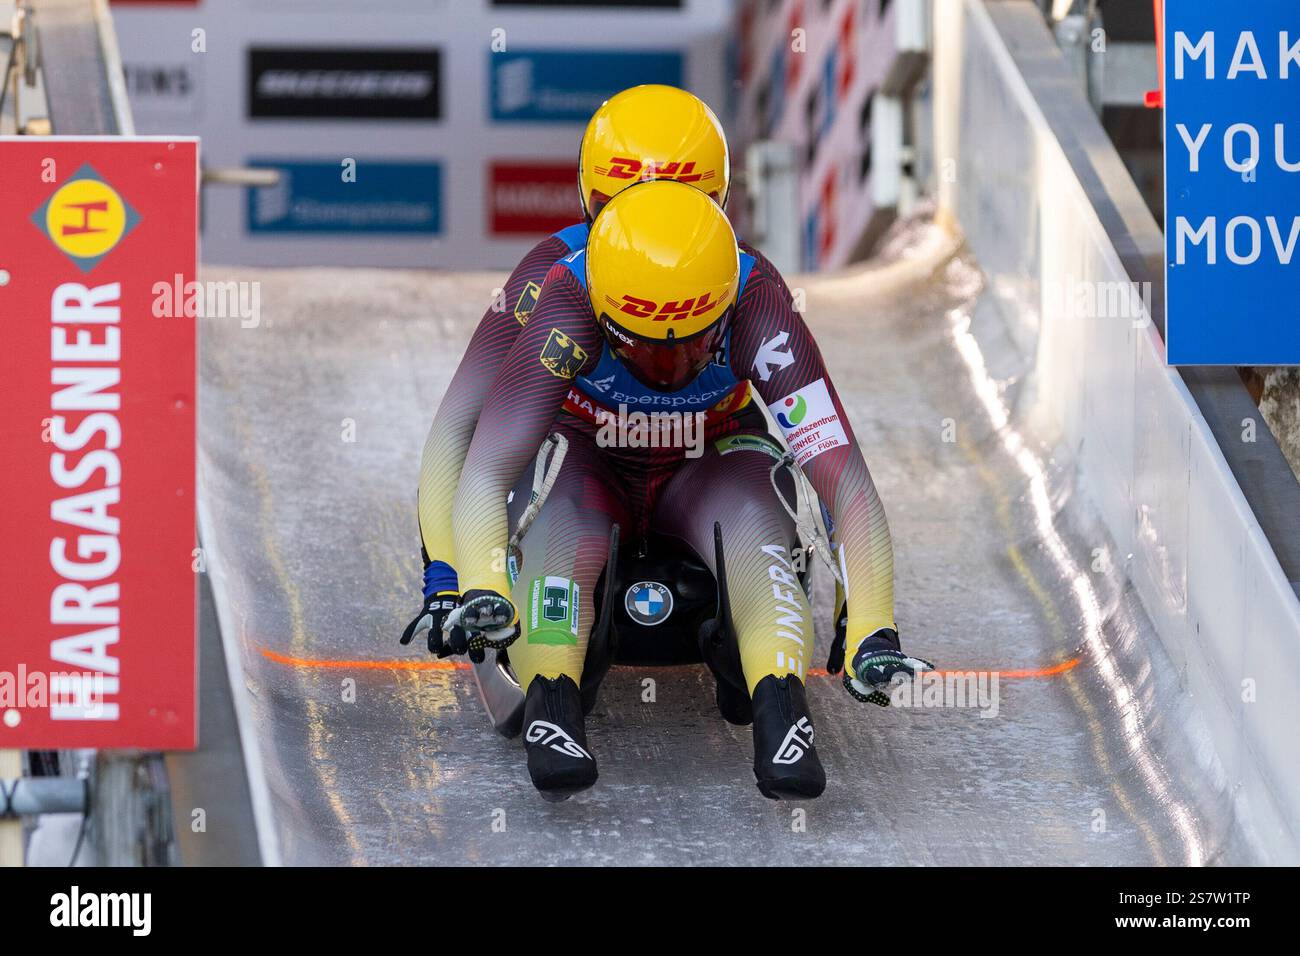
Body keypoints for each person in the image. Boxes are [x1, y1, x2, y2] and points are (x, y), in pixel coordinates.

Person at [438, 180, 931, 801]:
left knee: (754, 526)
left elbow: (843, 478)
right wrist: (479, 584)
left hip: (713, 455)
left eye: (694, 342)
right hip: (591, 455)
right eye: (638, 347)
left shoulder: (760, 304)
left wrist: (871, 629)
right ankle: (553, 700)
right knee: (562, 532)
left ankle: (782, 706)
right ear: (604, 309)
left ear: (725, 310)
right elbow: (486, 466)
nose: (665, 369)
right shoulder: (566, 299)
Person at [403, 84, 733, 657]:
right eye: (627, 201)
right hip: (585, 464)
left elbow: (814, 430)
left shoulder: (742, 278)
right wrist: (448, 581)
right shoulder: (548, 276)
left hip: (699, 468)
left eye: (677, 201)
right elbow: (463, 423)